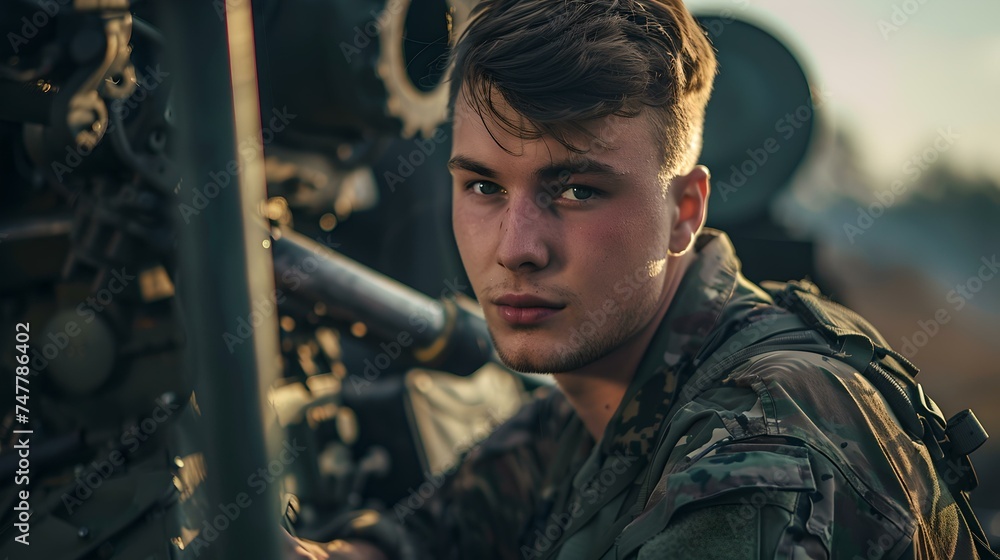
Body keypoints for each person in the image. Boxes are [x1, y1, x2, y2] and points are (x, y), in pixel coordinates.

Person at [284, 0, 990, 558]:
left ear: (685, 212)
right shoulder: (601, 391)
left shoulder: (762, 449)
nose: (516, 248)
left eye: (576, 191)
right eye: (483, 187)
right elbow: (434, 536)